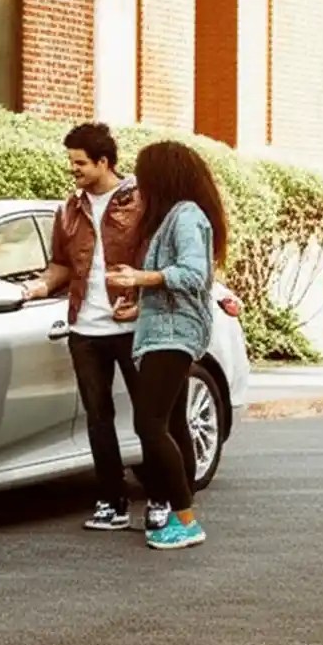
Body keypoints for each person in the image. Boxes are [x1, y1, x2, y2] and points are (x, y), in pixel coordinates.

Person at [20, 122, 170, 533]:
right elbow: (61, 265)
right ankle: (112, 501)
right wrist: (37, 286)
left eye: (80, 163)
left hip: (133, 327)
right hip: (85, 330)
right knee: (98, 418)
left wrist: (142, 301)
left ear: (104, 162)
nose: (74, 170)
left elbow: (159, 261)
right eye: (71, 162)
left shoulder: (142, 203)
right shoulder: (69, 209)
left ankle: (160, 498)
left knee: (149, 419)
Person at [105, 140, 229, 550]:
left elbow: (193, 274)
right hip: (164, 331)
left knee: (149, 424)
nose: (138, 185)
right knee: (173, 425)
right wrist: (139, 309)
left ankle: (186, 520)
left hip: (174, 336)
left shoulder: (186, 215)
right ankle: (181, 516)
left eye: (143, 176)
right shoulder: (175, 217)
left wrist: (139, 278)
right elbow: (178, 286)